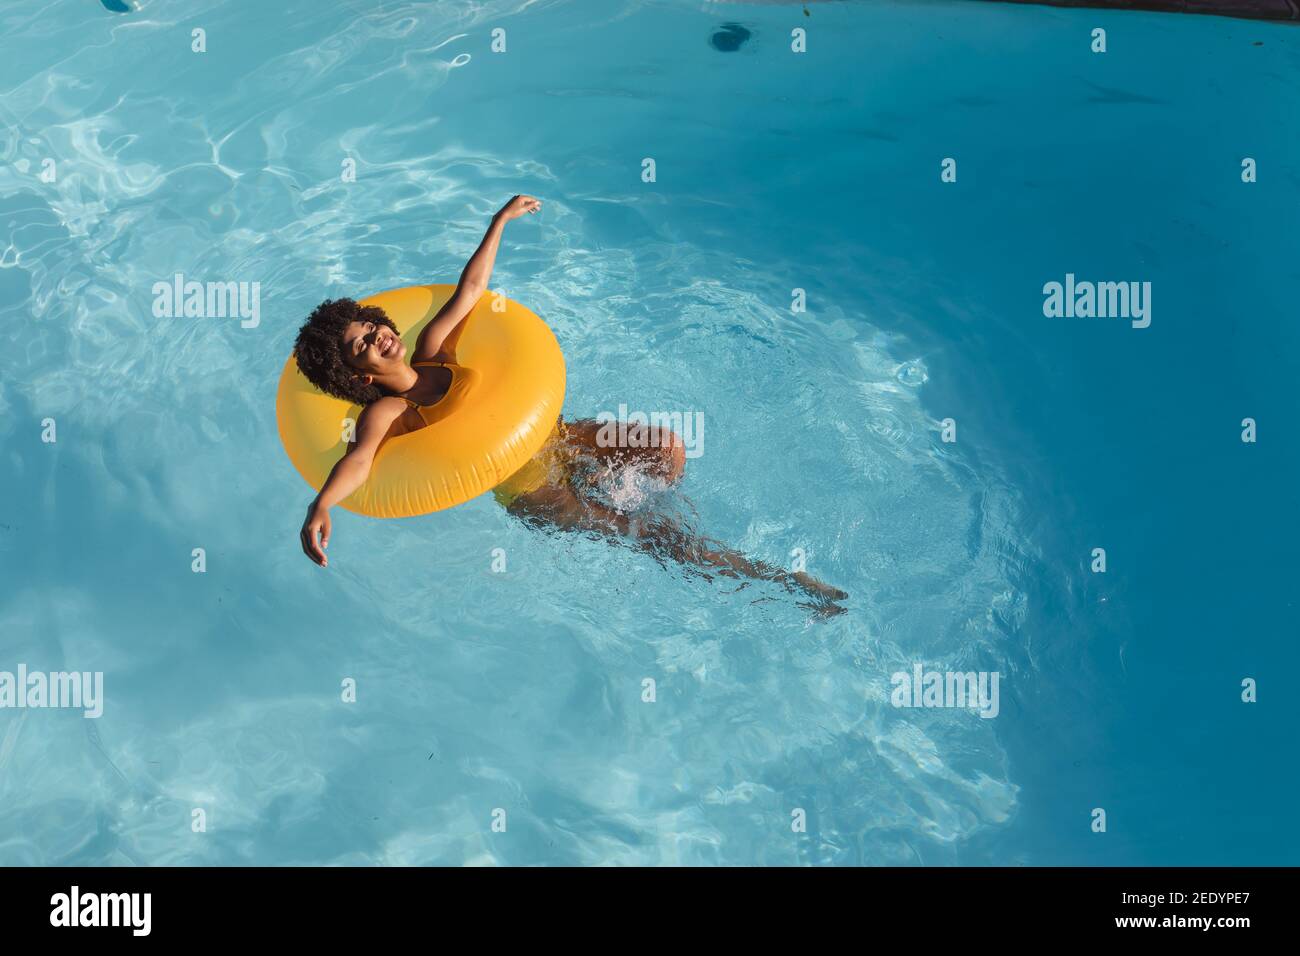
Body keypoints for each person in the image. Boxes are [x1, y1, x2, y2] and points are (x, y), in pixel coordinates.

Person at [293, 195, 846, 611]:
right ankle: (784, 586)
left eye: (369, 324)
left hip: (559, 436)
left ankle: (638, 506)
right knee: (664, 540)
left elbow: (470, 290)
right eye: (359, 344)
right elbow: (360, 459)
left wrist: (498, 222)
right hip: (533, 489)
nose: (374, 336)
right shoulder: (388, 411)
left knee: (665, 448)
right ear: (357, 375)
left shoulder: (436, 351)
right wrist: (323, 504)